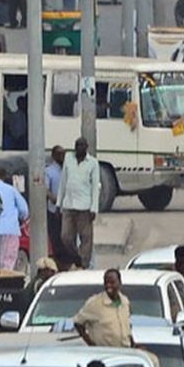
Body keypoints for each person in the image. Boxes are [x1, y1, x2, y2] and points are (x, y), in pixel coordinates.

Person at [58, 137, 101, 268]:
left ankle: (84, 264)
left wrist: (94, 209)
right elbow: (63, 182)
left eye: (82, 145)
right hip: (68, 205)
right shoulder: (68, 160)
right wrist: (59, 204)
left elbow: (95, 187)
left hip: (85, 207)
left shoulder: (93, 163)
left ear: (86, 147)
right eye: (77, 145)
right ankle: (76, 257)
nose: (79, 148)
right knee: (65, 237)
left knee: (86, 238)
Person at [73, 268, 135, 348]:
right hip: (105, 352)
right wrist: (91, 344)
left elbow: (127, 327)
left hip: (125, 351)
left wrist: (133, 345)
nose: (108, 285)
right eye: (106, 283)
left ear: (120, 283)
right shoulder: (95, 303)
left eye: (112, 282)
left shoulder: (125, 302)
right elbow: (78, 323)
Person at [0, 168, 29, 270]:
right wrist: (21, 218)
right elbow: (24, 210)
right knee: (7, 262)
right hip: (9, 230)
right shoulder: (11, 190)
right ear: (5, 176)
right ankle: (6, 284)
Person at [45, 145, 69, 266]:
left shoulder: (68, 169)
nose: (62, 156)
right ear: (54, 156)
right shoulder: (49, 171)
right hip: (54, 211)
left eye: (64, 154)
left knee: (68, 239)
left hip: (68, 210)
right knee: (56, 239)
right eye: (59, 154)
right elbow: (45, 189)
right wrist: (53, 198)